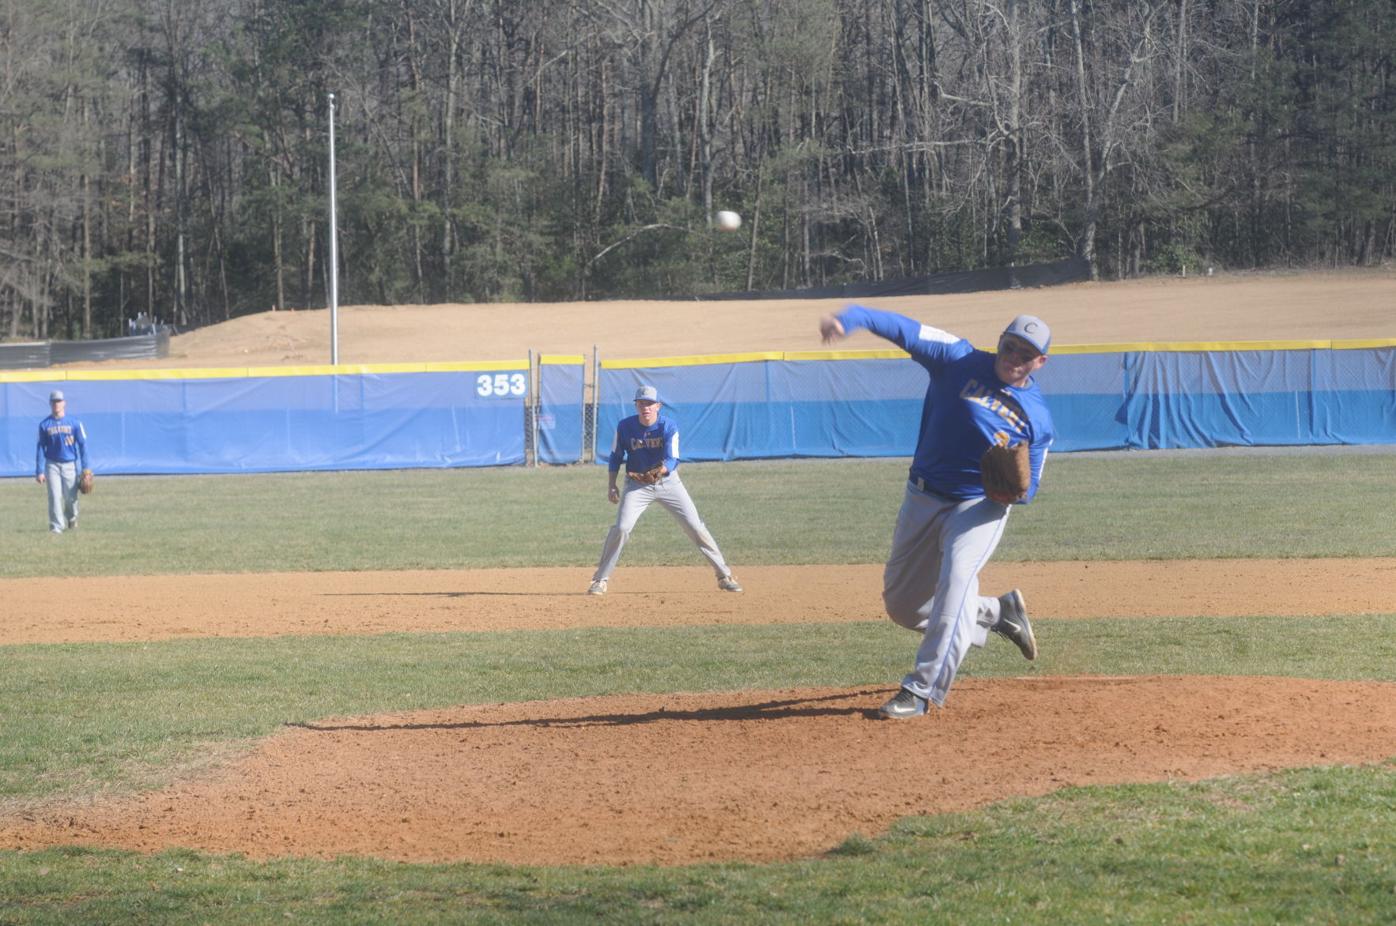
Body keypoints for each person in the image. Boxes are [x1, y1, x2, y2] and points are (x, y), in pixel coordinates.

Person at [819, 307, 1056, 719]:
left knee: (958, 579)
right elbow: (905, 330)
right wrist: (849, 319)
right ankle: (997, 612)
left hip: (979, 505)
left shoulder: (1037, 420)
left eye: (1027, 353)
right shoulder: (958, 357)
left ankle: (921, 691)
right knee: (904, 606)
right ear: (1000, 340)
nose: (1015, 356)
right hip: (923, 494)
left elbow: (1028, 487)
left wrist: (1012, 492)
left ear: (1040, 362)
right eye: (1011, 345)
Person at [588, 385, 743, 595]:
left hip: (668, 484)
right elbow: (616, 457)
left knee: (695, 527)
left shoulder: (668, 426)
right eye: (641, 403)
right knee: (622, 528)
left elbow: (672, 459)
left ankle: (724, 576)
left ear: (658, 406)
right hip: (637, 486)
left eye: (650, 403)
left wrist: (659, 471)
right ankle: (600, 580)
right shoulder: (625, 426)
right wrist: (611, 485)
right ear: (636, 405)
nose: (646, 407)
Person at [35, 390, 90, 535]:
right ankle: (56, 526)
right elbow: (40, 447)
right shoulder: (44, 425)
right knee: (54, 495)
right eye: (54, 401)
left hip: (70, 464)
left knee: (70, 497)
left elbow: (83, 445)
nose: (56, 404)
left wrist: (86, 469)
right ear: (50, 404)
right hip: (52, 464)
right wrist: (39, 470)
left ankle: (72, 518)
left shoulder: (75, 423)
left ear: (64, 403)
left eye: (59, 401)